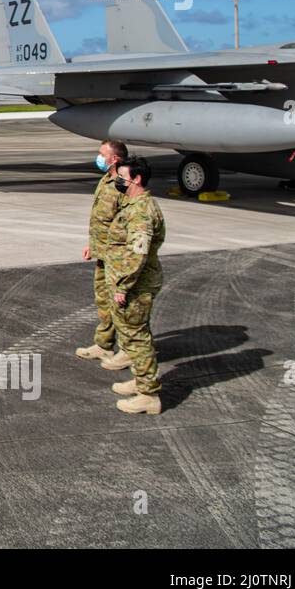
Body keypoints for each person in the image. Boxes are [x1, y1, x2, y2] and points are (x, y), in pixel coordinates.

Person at [103, 155, 166, 414]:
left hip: (135, 286)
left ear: (136, 179)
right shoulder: (134, 205)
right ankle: (141, 381)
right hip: (129, 283)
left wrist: (123, 286)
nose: (118, 180)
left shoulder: (141, 211)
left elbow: (137, 254)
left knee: (137, 337)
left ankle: (148, 395)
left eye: (123, 176)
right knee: (134, 334)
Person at [76, 139, 129, 365]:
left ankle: (128, 352)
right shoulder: (106, 180)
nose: (98, 157)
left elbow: (125, 224)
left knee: (121, 305)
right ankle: (104, 345)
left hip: (117, 258)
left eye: (101, 154)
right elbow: (101, 219)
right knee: (103, 301)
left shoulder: (123, 185)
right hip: (102, 252)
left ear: (114, 159)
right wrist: (92, 244)